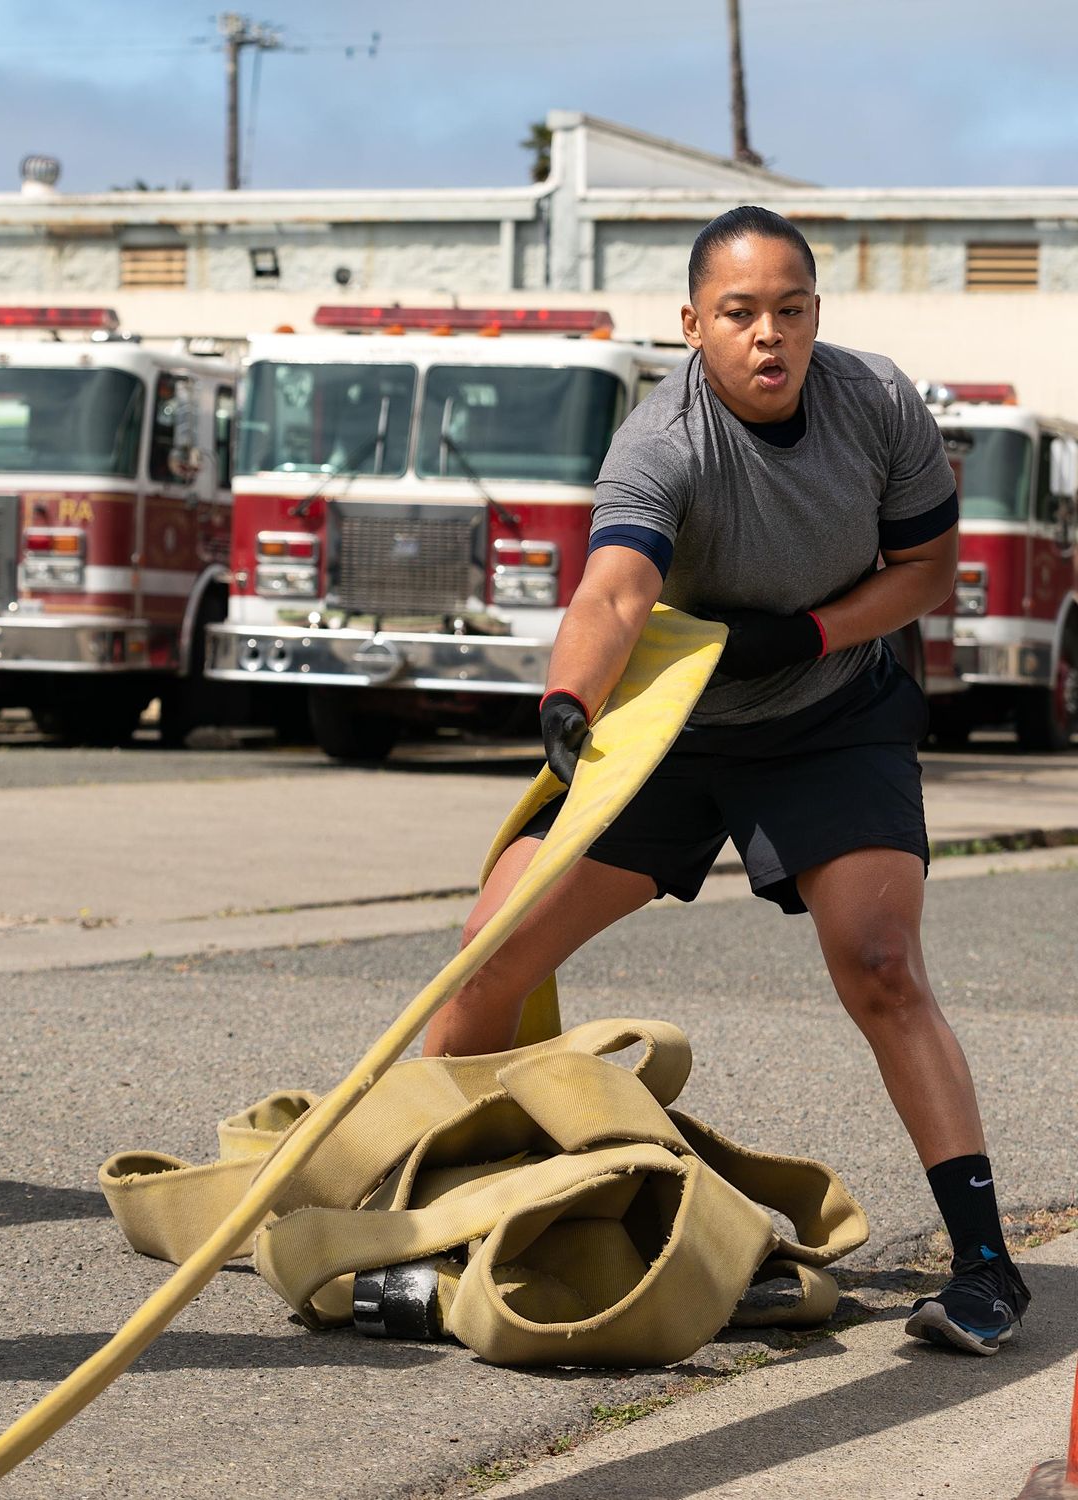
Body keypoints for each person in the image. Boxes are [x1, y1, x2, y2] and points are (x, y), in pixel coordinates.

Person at [423, 206, 1029, 1357]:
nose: (769, 337)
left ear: (816, 317)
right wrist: (568, 703)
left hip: (830, 716)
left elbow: (928, 571)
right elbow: (610, 594)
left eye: (791, 311)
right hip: (668, 730)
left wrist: (805, 636)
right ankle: (438, 1216)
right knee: (484, 956)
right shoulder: (663, 440)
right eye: (741, 313)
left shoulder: (879, 404)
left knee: (883, 964)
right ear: (693, 322)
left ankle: (988, 1264)